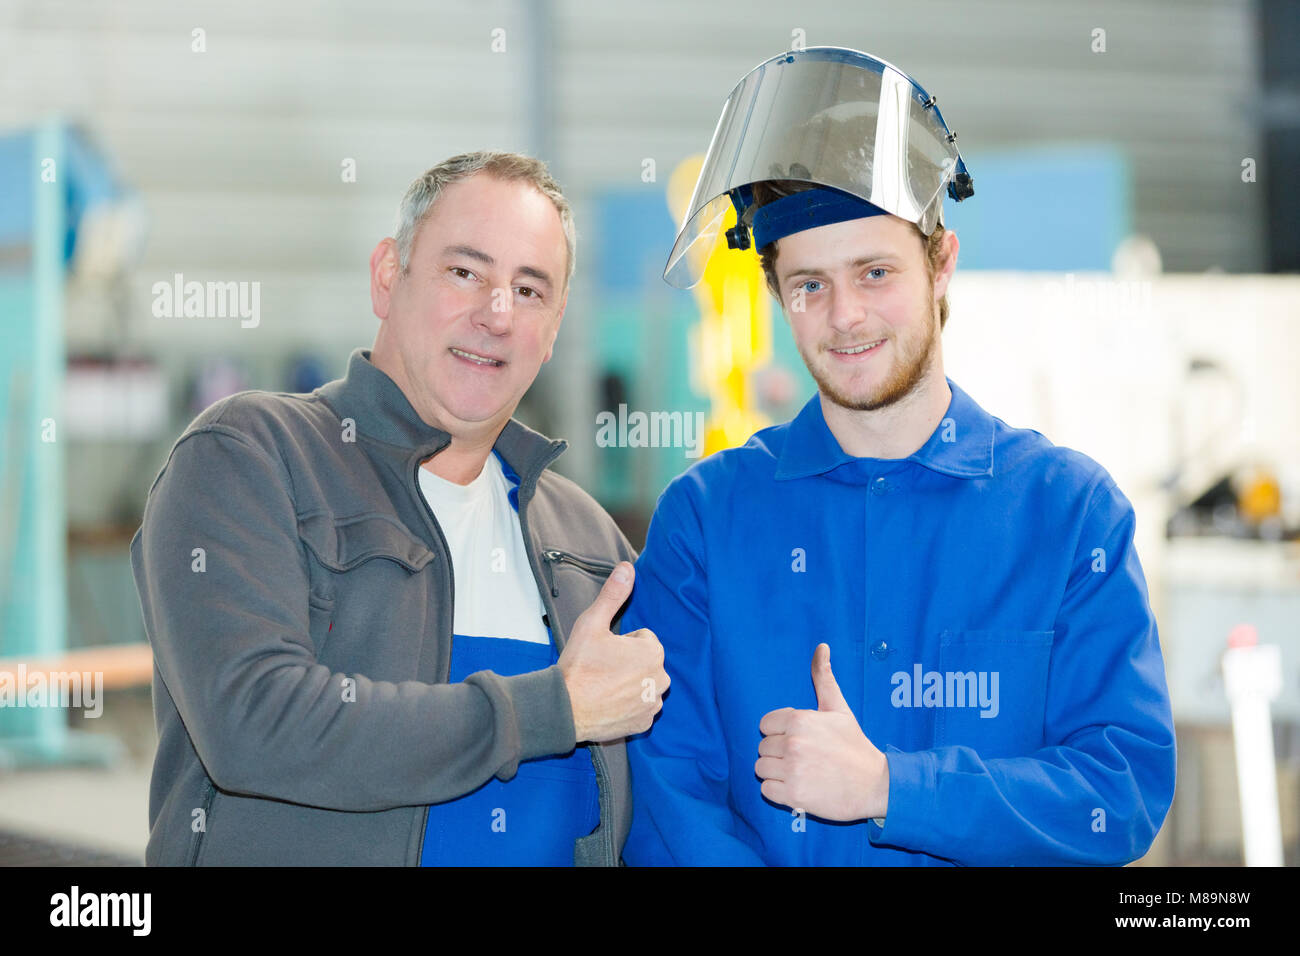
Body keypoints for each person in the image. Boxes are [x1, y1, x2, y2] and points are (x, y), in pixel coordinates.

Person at [622, 47, 1176, 866]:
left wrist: (893, 787)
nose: (844, 316)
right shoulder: (706, 521)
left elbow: (1118, 790)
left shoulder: (1068, 514)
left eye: (875, 272)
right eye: (809, 285)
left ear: (941, 263)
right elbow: (670, 802)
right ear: (778, 294)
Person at [131, 151, 668, 866]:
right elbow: (254, 722)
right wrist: (552, 709)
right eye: (465, 272)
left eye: (531, 289)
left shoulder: (587, 540)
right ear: (389, 276)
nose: (497, 314)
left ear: (555, 324)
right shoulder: (252, 456)